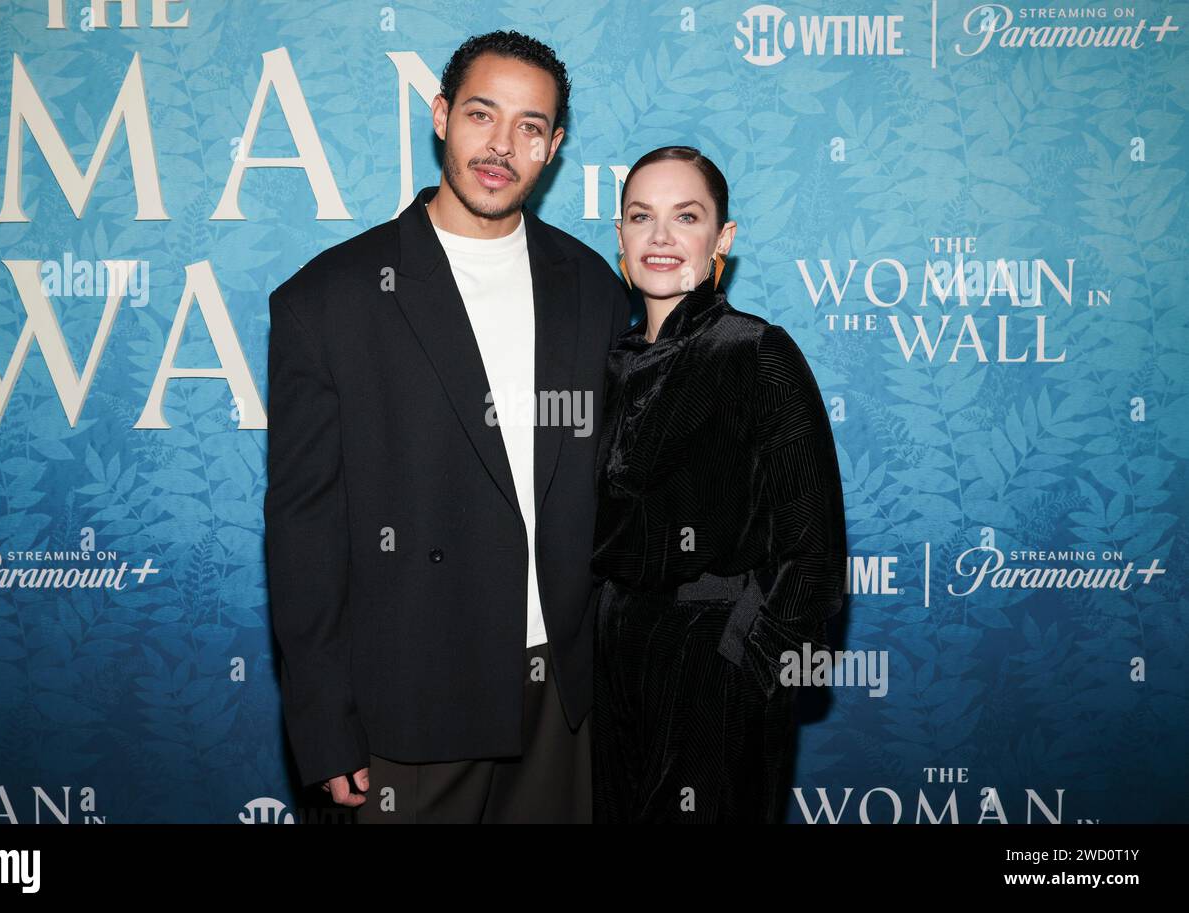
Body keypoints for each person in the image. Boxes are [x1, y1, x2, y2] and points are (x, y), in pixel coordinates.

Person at [263, 30, 630, 823]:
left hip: (563, 702)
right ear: (440, 116)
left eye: (530, 127)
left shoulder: (594, 289)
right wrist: (325, 727)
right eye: (481, 115)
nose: (502, 146)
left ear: (554, 146)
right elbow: (304, 534)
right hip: (411, 709)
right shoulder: (329, 300)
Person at [590, 146, 848, 823]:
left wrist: (745, 670)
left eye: (687, 216)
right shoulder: (605, 366)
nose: (662, 237)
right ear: (619, 236)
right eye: (641, 217)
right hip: (611, 667)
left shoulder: (756, 352)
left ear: (721, 239)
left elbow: (814, 555)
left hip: (715, 671)